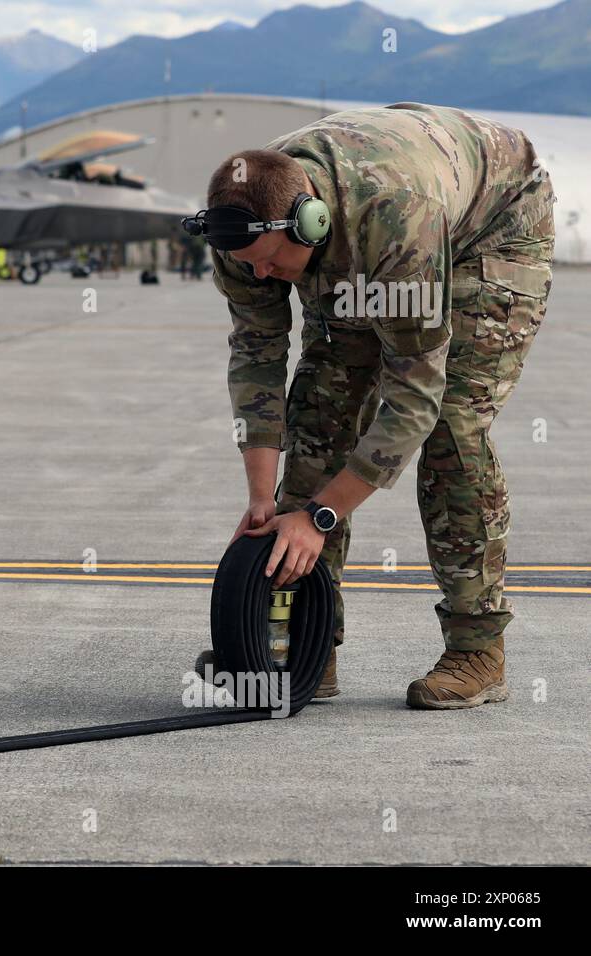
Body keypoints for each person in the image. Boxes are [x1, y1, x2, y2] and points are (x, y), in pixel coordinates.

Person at [185, 102, 554, 709]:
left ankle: (476, 648)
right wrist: (262, 499)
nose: (262, 273)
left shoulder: (395, 220)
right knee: (318, 416)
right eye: (250, 264)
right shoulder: (243, 234)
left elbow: (415, 393)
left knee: (451, 428)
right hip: (366, 239)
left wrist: (319, 516)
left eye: (273, 262)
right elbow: (256, 358)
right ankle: (309, 646)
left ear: (308, 222)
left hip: (493, 222)